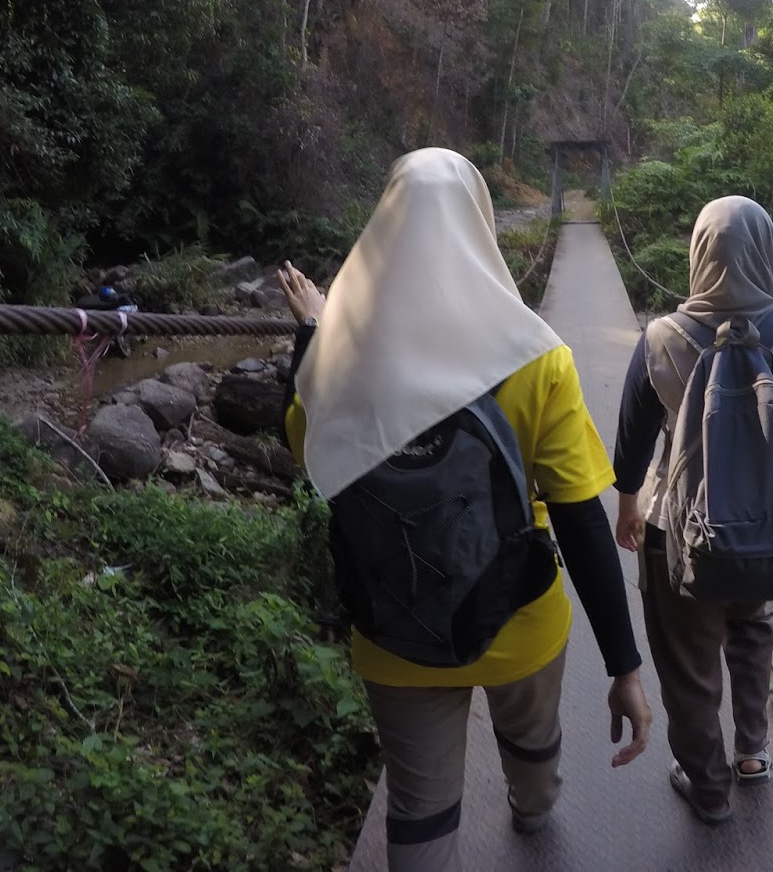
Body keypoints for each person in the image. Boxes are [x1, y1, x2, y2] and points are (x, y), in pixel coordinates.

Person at [277, 148, 651, 872]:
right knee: (533, 748)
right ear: (480, 223)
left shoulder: (340, 355)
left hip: (393, 624)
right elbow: (579, 520)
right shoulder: (537, 358)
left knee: (420, 810)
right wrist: (624, 667)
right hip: (519, 616)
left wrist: (314, 333)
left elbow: (305, 453)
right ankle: (532, 809)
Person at [613, 196, 773, 825]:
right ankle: (752, 752)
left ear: (699, 253)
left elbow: (632, 443)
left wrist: (628, 507)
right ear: (767, 251)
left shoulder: (660, 338)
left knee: (687, 663)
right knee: (750, 624)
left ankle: (709, 788)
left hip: (679, 529)